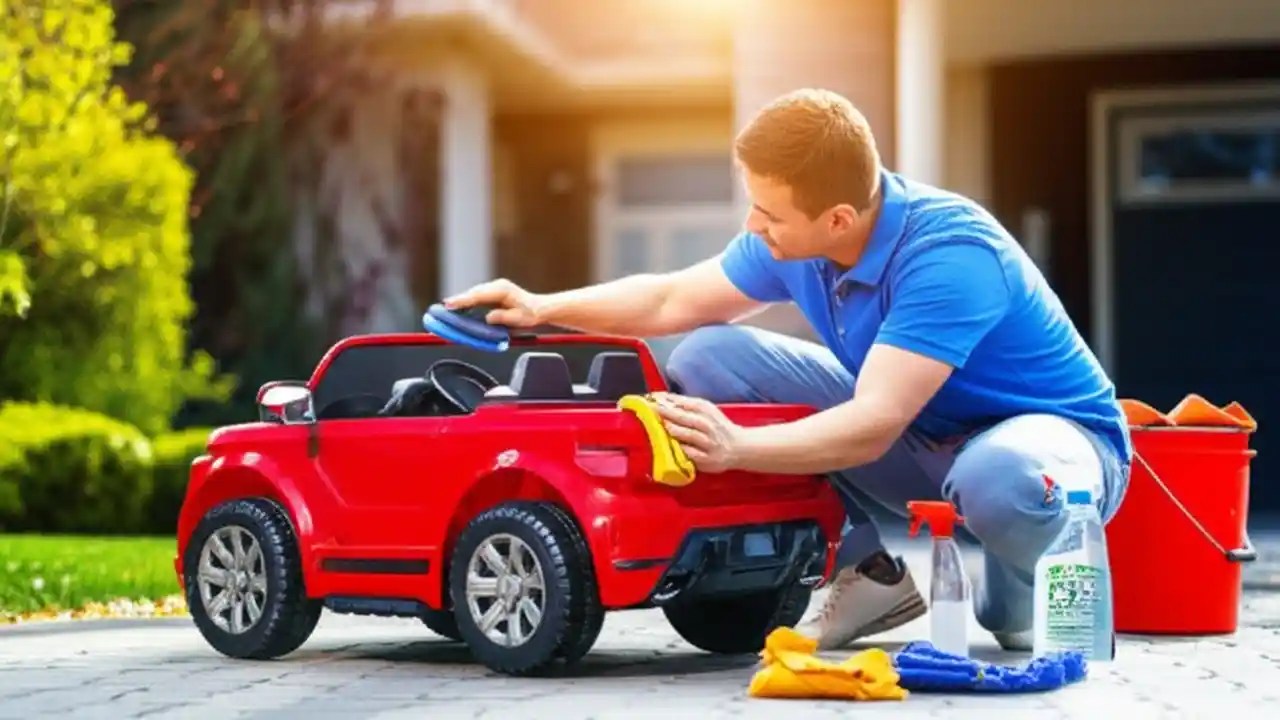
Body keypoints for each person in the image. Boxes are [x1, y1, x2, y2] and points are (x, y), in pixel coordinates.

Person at [443, 88, 1132, 652]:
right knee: (711, 356)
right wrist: (539, 308)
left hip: (1047, 447)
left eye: (768, 212)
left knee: (998, 481)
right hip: (918, 437)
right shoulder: (798, 239)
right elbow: (671, 297)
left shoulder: (949, 255)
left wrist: (736, 448)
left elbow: (870, 425)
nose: (751, 226)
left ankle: (1015, 594)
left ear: (837, 219)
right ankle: (871, 571)